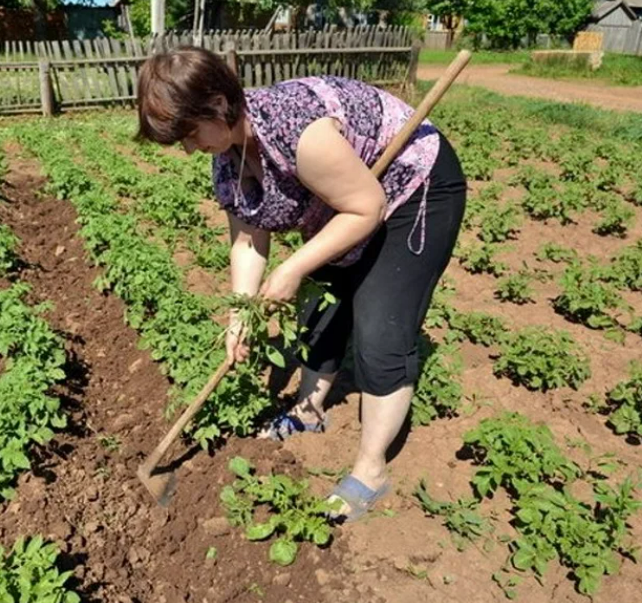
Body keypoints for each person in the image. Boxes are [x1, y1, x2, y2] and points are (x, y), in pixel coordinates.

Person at [136, 47, 466, 522]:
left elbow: (365, 208)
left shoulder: (296, 129)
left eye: (188, 133)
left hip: (414, 188)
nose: (188, 149)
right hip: (346, 198)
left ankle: (369, 472)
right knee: (318, 309)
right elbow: (248, 242)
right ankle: (308, 411)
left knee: (380, 331)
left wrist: (291, 270)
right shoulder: (227, 161)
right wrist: (240, 314)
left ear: (218, 105)